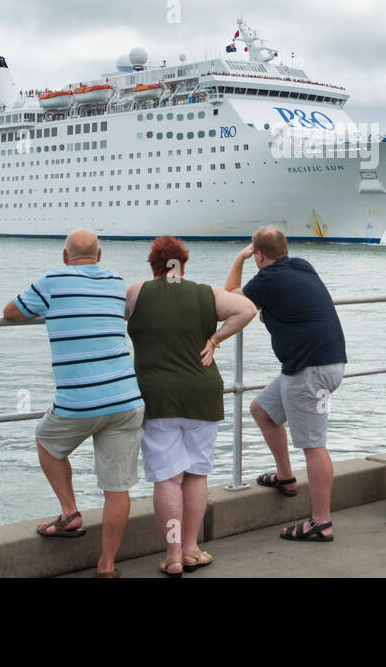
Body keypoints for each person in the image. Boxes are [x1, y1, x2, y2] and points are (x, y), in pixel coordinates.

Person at [2, 229, 143, 579]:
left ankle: (69, 512)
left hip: (79, 403)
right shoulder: (115, 281)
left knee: (47, 443)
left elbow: (10, 313)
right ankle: (107, 565)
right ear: (100, 254)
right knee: (117, 487)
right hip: (127, 398)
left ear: (64, 256)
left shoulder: (53, 280)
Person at [125, 236, 256, 577]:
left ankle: (172, 555)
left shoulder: (137, 293)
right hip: (202, 393)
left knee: (168, 479)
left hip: (158, 397)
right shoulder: (206, 294)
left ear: (153, 265)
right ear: (183, 264)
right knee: (197, 473)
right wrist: (214, 339)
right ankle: (192, 549)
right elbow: (246, 309)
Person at [225, 226, 346, 542]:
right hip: (320, 363)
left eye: (254, 255)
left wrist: (240, 257)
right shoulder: (302, 265)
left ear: (259, 255)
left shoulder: (267, 278)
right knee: (262, 410)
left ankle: (321, 523)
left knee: (313, 445)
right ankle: (285, 477)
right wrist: (269, 309)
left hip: (310, 370)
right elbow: (293, 301)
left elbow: (227, 300)